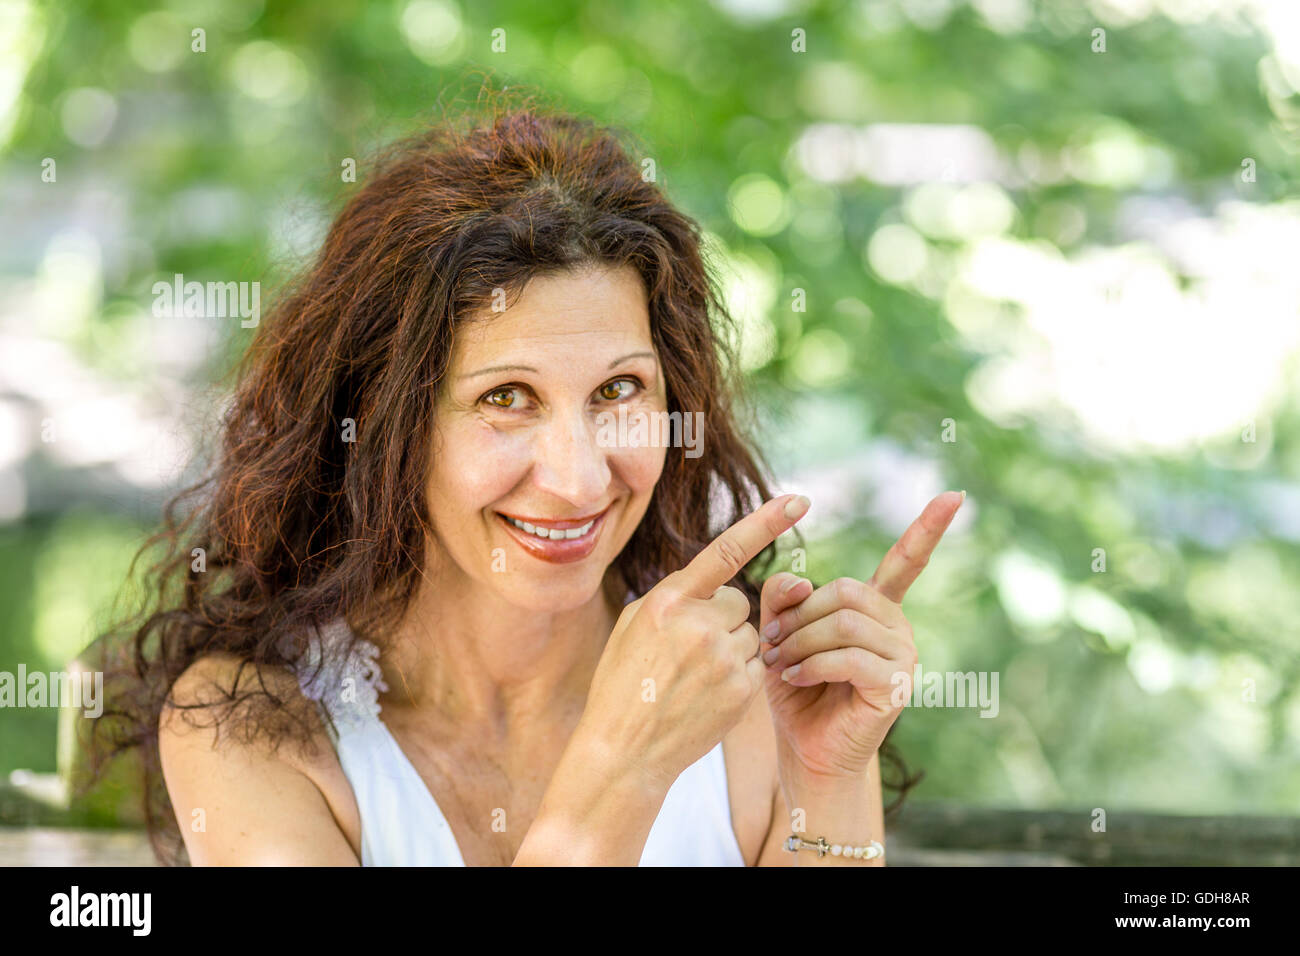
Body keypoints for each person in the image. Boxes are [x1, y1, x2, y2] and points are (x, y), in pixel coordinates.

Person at [93, 94, 956, 865]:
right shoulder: (257, 729)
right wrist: (621, 769)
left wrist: (830, 777)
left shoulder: (743, 691)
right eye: (507, 398)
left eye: (619, 390)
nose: (580, 480)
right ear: (387, 429)